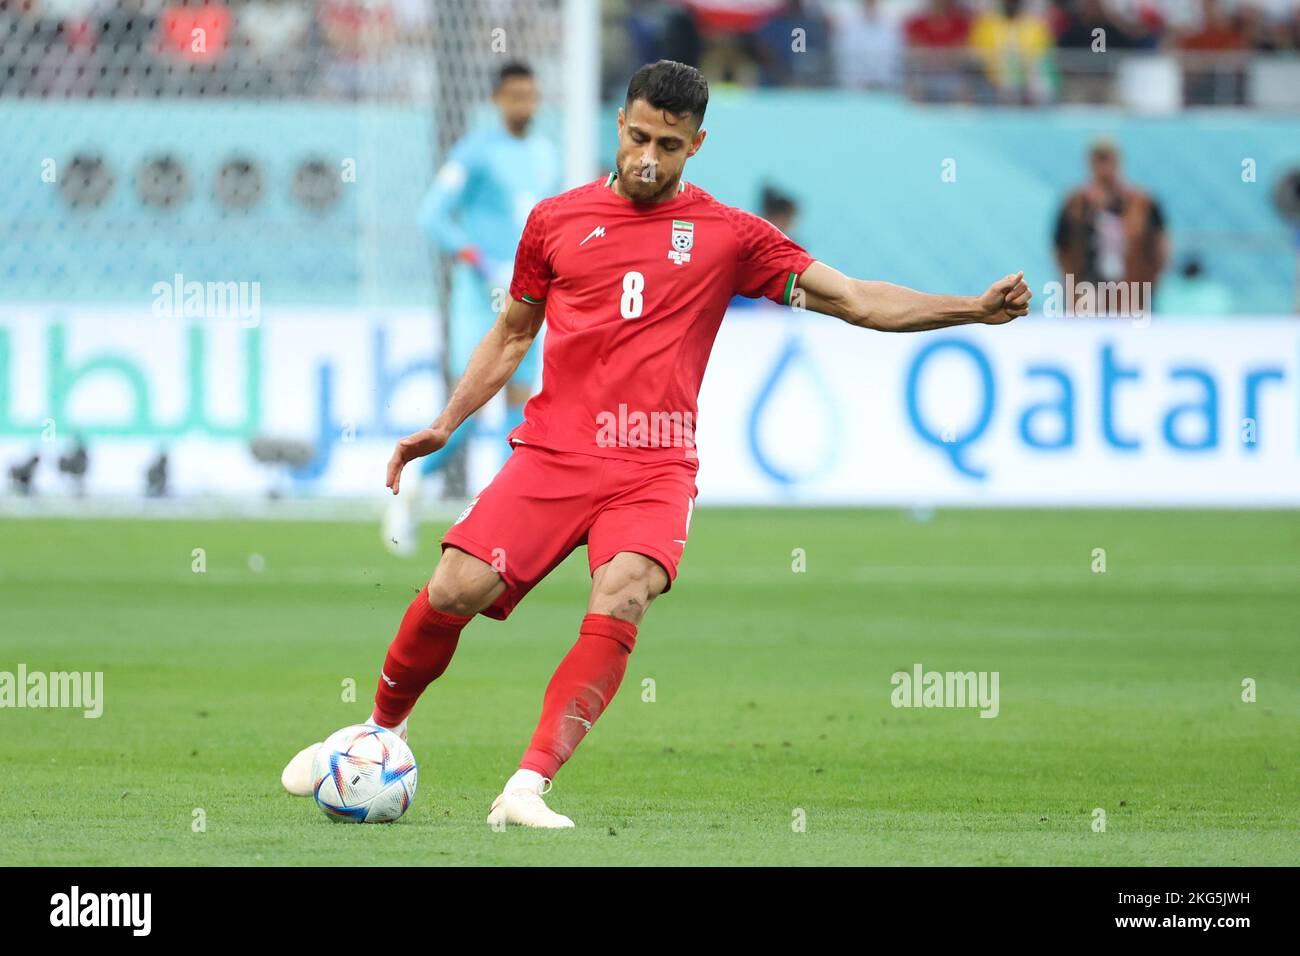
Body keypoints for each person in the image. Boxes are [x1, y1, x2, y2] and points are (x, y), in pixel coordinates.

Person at [283, 60, 1031, 828]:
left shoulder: (730, 237)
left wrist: (969, 309)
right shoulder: (555, 221)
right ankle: (379, 727)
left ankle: (526, 787)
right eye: (639, 136)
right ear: (619, 122)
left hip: (655, 465)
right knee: (453, 590)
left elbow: (856, 300)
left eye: (668, 145)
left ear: (696, 144)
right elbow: (513, 333)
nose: (648, 156)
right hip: (555, 452)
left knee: (626, 592)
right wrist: (447, 423)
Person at [383, 61, 560, 555]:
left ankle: (499, 524)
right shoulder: (475, 153)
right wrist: (482, 261)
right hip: (482, 298)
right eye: (515, 95)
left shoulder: (547, 155)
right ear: (498, 99)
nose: (524, 103)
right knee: (468, 405)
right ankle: (412, 485)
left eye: (531, 94)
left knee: (520, 411)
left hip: (527, 296)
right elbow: (433, 216)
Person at [1053, 138, 1168, 316]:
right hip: (1086, 291)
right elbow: (1062, 248)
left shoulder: (1142, 203)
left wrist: (1148, 285)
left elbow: (1159, 248)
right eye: (1098, 160)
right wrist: (1071, 285)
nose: (1103, 168)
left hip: (1130, 291)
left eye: (1107, 160)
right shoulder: (1075, 204)